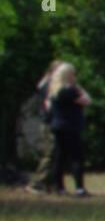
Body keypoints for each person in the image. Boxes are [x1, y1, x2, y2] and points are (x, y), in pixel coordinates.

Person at [47, 62, 90, 197]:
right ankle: (79, 188)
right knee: (77, 157)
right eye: (73, 74)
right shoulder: (70, 91)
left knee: (60, 157)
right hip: (71, 127)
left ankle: (59, 187)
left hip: (58, 126)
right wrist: (79, 87)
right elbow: (87, 100)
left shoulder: (55, 91)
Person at [26, 60, 62, 194]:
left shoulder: (46, 82)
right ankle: (36, 183)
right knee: (49, 154)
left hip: (49, 122)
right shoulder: (50, 85)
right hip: (48, 123)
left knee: (54, 154)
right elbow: (49, 105)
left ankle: (48, 184)